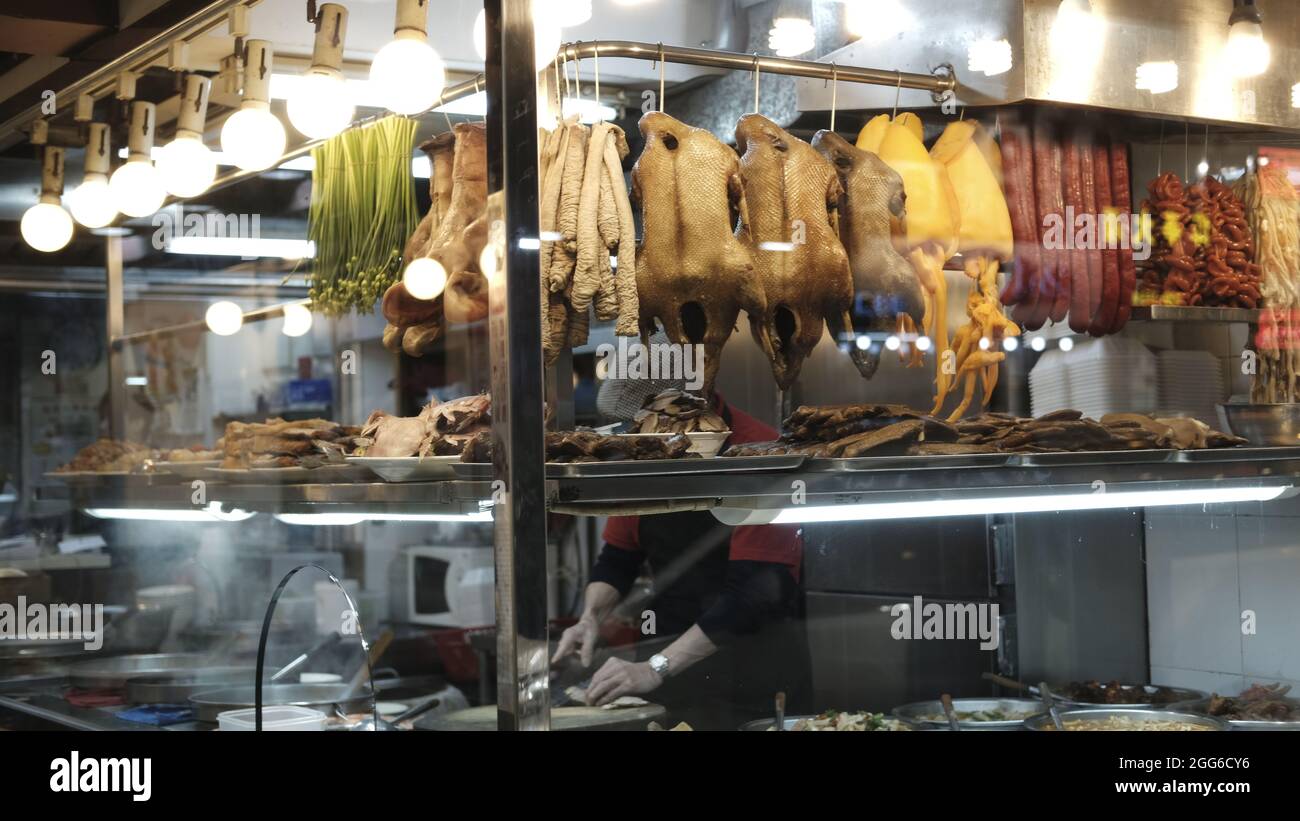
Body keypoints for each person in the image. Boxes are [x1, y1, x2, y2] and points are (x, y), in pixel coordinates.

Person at [552, 392, 812, 730]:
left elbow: (751, 596)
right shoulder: (643, 448)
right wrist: (591, 617)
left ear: (685, 407)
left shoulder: (760, 450)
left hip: (753, 678)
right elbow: (618, 559)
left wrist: (654, 667)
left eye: (648, 422)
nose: (640, 433)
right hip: (671, 677)